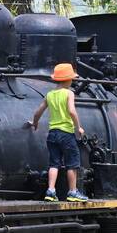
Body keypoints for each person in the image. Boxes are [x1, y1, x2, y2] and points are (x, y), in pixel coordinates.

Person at [26, 62, 89, 202]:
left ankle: (51, 191)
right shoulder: (69, 93)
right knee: (72, 164)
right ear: (68, 79)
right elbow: (72, 111)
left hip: (52, 134)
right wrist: (78, 128)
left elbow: (38, 112)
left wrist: (35, 123)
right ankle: (73, 192)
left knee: (54, 163)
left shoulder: (49, 95)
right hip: (66, 134)